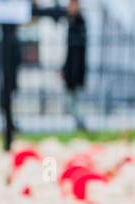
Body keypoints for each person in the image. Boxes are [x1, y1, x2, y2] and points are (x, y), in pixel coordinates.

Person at [62, 0, 87, 132]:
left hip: (75, 71)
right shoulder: (72, 22)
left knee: (73, 101)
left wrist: (71, 73)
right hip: (71, 69)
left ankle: (81, 125)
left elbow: (77, 53)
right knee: (71, 101)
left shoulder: (78, 23)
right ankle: (79, 124)